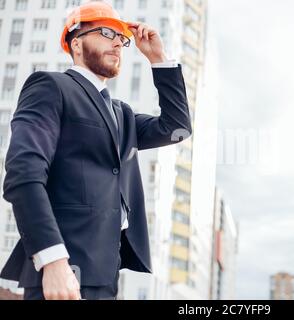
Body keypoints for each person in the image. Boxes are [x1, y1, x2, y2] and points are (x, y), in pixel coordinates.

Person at [0, 1, 192, 300]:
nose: (118, 42)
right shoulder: (51, 87)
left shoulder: (122, 115)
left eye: (122, 39)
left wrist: (159, 58)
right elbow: (23, 175)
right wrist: (52, 260)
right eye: (106, 32)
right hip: (61, 272)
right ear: (76, 43)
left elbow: (177, 128)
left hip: (105, 276)